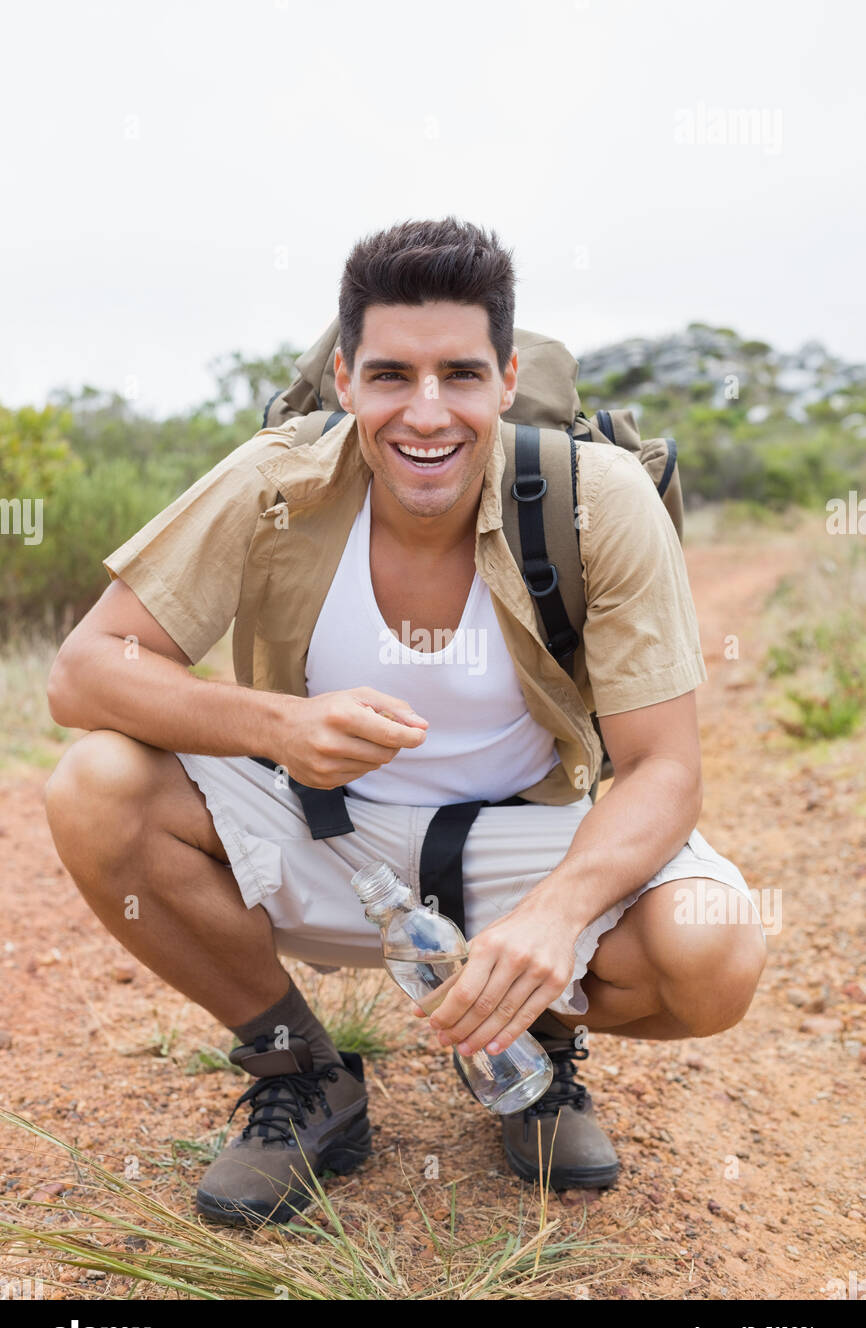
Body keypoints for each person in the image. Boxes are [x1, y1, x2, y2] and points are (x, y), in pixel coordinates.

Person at [44, 216, 767, 1227]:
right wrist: (274, 726)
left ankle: (534, 1049)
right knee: (93, 784)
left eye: (459, 375)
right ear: (343, 379)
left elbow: (662, 769)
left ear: (505, 378)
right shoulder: (273, 482)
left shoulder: (593, 500)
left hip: (524, 844)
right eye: (390, 375)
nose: (425, 412)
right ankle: (304, 1074)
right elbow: (82, 671)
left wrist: (556, 916)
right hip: (329, 835)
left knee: (715, 946)